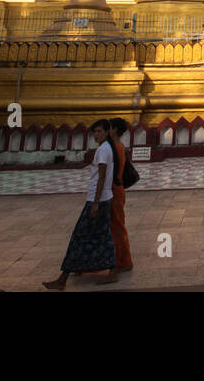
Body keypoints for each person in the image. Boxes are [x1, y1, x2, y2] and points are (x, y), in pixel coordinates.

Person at [43, 119, 119, 289]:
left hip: (97, 200)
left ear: (107, 132)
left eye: (100, 131)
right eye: (95, 131)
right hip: (102, 198)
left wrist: (96, 203)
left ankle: (63, 278)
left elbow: (101, 177)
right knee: (102, 235)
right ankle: (108, 270)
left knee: (80, 236)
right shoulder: (106, 149)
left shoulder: (103, 150)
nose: (96, 135)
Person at [108, 116, 134, 273]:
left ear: (115, 130)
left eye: (107, 128)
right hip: (115, 190)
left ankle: (121, 261)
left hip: (112, 191)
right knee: (114, 226)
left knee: (116, 226)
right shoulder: (116, 147)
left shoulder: (114, 148)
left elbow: (107, 175)